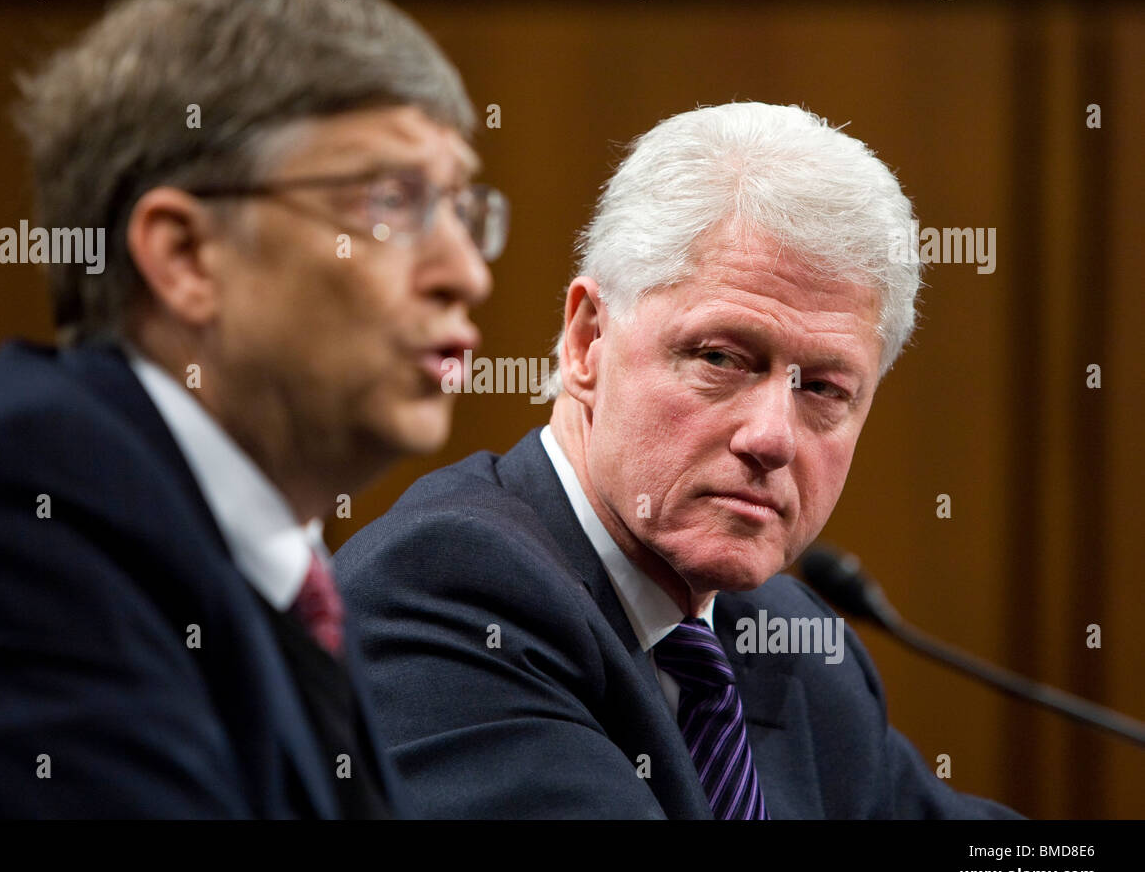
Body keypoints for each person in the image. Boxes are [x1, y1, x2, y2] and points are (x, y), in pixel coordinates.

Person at [0, 0, 502, 818]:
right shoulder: (22, 512)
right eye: (388, 201)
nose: (466, 273)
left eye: (463, 210)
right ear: (186, 256)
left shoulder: (261, 552)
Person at [336, 101, 1021, 818]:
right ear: (587, 341)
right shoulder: (450, 588)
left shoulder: (787, 633)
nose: (771, 437)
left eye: (822, 388)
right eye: (721, 358)